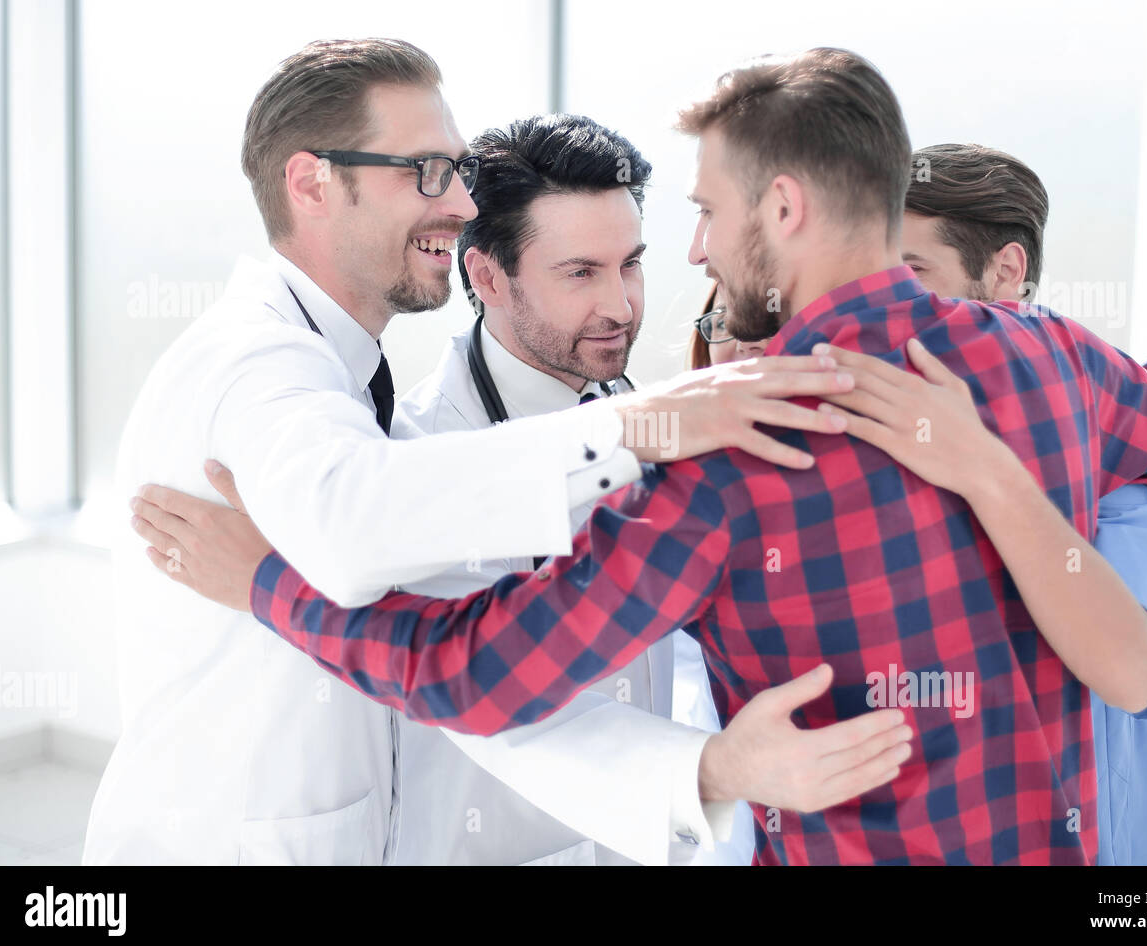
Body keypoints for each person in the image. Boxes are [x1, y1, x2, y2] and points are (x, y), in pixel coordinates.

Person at [131, 48, 1147, 864]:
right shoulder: (1053, 352)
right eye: (584, 272)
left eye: (694, 220)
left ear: (785, 203)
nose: (686, 262)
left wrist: (270, 588)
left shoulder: (725, 456)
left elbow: (467, 672)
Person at [82, 39, 883, 866]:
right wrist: (648, 427)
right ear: (312, 182)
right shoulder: (273, 372)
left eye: (632, 265)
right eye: (426, 171)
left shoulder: (355, 384)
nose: (459, 200)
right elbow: (460, 663)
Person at [383, 112, 766, 865]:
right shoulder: (420, 458)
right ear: (487, 275)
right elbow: (489, 695)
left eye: (631, 264)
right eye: (581, 273)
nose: (622, 307)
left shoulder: (636, 410)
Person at [900, 142, 1147, 864]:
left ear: (1005, 273)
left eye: (912, 276)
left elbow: (1138, 679)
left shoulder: (1113, 459)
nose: (888, 311)